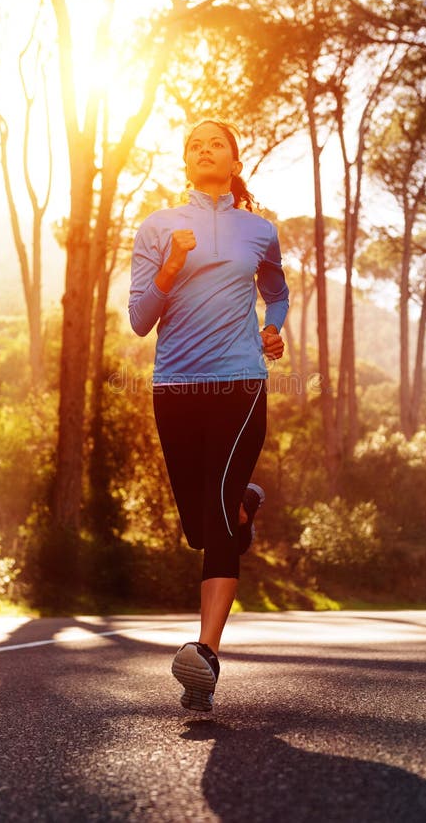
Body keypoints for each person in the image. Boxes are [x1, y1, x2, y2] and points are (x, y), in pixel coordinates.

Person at [129, 119, 289, 711]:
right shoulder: (158, 226)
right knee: (201, 529)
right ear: (186, 162)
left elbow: (277, 291)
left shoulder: (260, 230)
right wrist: (171, 265)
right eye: (194, 144)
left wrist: (273, 328)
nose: (204, 149)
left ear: (234, 161)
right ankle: (244, 503)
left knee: (216, 517)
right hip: (175, 386)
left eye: (215, 142)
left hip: (240, 383)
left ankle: (205, 656)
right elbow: (140, 320)